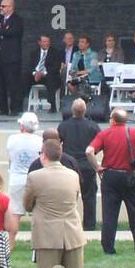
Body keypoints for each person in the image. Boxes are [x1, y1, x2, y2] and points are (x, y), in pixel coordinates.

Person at [24, 139, 87, 268]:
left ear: (43, 155)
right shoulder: (73, 175)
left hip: (47, 237)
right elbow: (75, 198)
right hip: (73, 234)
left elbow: (27, 204)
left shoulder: (35, 177)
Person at [87, 107, 135, 254]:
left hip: (110, 176)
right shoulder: (132, 132)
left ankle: (108, 248)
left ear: (113, 120)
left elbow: (89, 151)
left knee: (109, 214)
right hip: (129, 177)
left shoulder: (105, 134)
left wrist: (97, 167)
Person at [58, 98, 100, 231]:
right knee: (89, 197)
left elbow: (57, 144)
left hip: (69, 166)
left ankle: (67, 224)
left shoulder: (63, 126)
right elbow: (99, 145)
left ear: (72, 110)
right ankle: (89, 225)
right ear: (85, 110)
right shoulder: (93, 126)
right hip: (87, 165)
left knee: (67, 197)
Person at [5, 112, 43, 249]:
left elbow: (10, 157)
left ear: (22, 126)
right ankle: (39, 244)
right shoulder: (40, 141)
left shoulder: (12, 139)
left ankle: (10, 244)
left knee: (15, 213)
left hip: (16, 179)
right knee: (38, 214)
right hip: (35, 179)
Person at [0, 0, 25, 117]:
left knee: (13, 83)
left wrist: (0, 31)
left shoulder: (17, 20)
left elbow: (13, 33)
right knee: (0, 84)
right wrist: (1, 31)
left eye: (3, 6)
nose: (1, 8)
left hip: (11, 57)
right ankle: (2, 108)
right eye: (1, 6)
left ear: (11, 7)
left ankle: (15, 108)